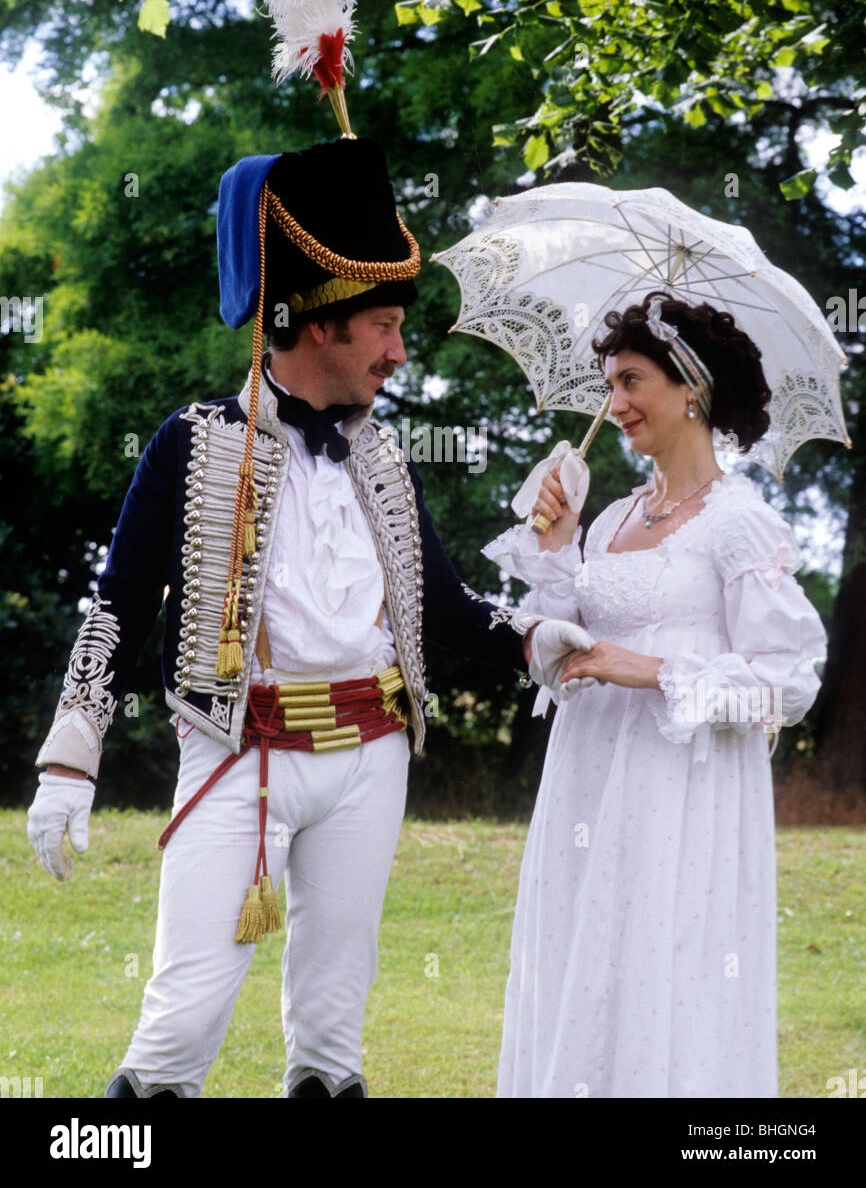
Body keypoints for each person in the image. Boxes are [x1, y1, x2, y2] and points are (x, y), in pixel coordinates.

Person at [26, 136, 580, 1099]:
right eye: (384, 324)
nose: (401, 349)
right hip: (241, 751)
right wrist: (72, 757)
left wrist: (530, 637)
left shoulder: (387, 458)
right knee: (179, 1024)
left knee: (332, 1039)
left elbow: (441, 606)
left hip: (371, 756)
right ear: (320, 325)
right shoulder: (194, 443)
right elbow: (116, 604)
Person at [484, 290, 827, 1099]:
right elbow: (558, 653)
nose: (616, 404)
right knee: (585, 955)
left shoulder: (739, 524)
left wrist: (655, 670)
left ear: (691, 388)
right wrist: (559, 547)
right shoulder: (608, 521)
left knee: (665, 960)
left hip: (684, 797)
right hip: (590, 783)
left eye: (631, 381)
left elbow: (787, 682)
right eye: (610, 384)